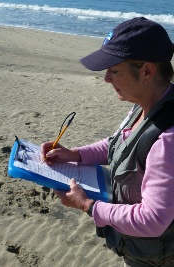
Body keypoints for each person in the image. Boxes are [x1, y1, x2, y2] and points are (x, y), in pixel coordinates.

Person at [41, 17, 174, 267]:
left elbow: (153, 219)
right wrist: (75, 154)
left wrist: (89, 206)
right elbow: (117, 143)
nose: (106, 79)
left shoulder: (168, 138)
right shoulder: (146, 105)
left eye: (114, 71)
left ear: (147, 71)